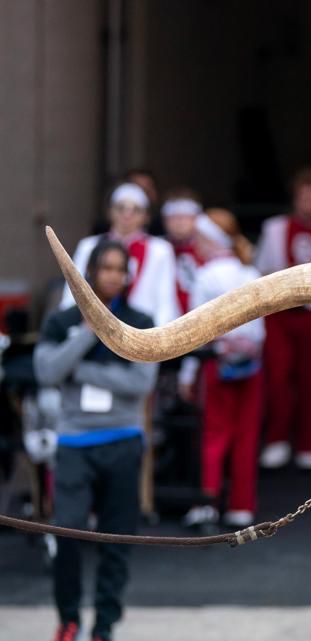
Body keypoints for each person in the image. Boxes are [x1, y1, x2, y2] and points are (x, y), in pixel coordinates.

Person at [34, 240, 158, 641]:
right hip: (74, 444)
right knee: (67, 533)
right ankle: (68, 619)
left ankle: (104, 626)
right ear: (89, 271)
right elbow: (47, 372)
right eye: (105, 268)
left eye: (120, 269)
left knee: (116, 540)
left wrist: (80, 371)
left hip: (122, 440)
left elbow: (141, 381)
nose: (113, 276)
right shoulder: (63, 321)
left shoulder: (140, 319)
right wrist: (90, 333)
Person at [255, 168, 311, 470]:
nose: (308, 203)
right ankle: (277, 440)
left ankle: (309, 445)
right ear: (295, 200)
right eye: (303, 197)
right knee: (278, 379)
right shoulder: (275, 229)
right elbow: (263, 270)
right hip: (280, 314)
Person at [180, 216, 266, 529]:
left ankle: (207, 504)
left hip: (216, 365)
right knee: (246, 435)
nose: (195, 245)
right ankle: (242, 506)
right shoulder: (251, 272)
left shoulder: (205, 277)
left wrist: (187, 375)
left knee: (214, 435)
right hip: (253, 367)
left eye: (200, 239)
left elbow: (194, 331)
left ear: (211, 240)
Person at [59, 182, 181, 326]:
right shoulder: (89, 246)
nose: (127, 215)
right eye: (121, 208)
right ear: (110, 211)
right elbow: (73, 290)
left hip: (144, 329)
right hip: (93, 327)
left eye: (135, 210)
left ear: (146, 216)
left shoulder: (161, 250)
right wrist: (72, 326)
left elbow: (166, 301)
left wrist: (158, 339)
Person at [160, 188, 206, 315]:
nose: (180, 222)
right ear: (165, 221)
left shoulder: (208, 251)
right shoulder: (157, 251)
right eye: (174, 217)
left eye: (186, 216)